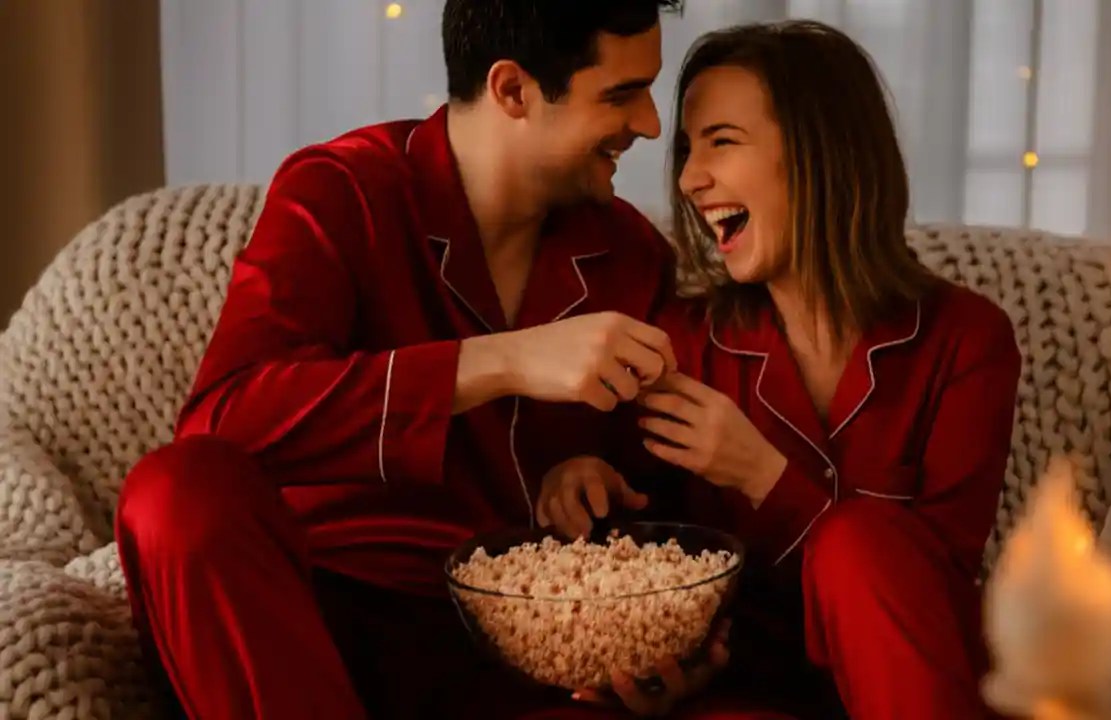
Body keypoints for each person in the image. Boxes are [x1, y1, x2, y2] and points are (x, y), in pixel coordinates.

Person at [110, 2, 728, 718]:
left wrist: (598, 490)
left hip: (513, 657)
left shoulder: (632, 257)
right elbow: (224, 418)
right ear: (512, 90)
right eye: (621, 94)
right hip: (309, 626)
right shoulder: (340, 193)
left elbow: (661, 510)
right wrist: (496, 361)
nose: (651, 124)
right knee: (175, 492)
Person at [538, 20, 1022, 719]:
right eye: (686, 149)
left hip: (918, 687)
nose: (689, 178)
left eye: (722, 142)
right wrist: (580, 481)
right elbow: (645, 546)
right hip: (750, 693)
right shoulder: (683, 343)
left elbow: (929, 587)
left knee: (863, 543)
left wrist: (764, 478)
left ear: (822, 154)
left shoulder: (967, 340)